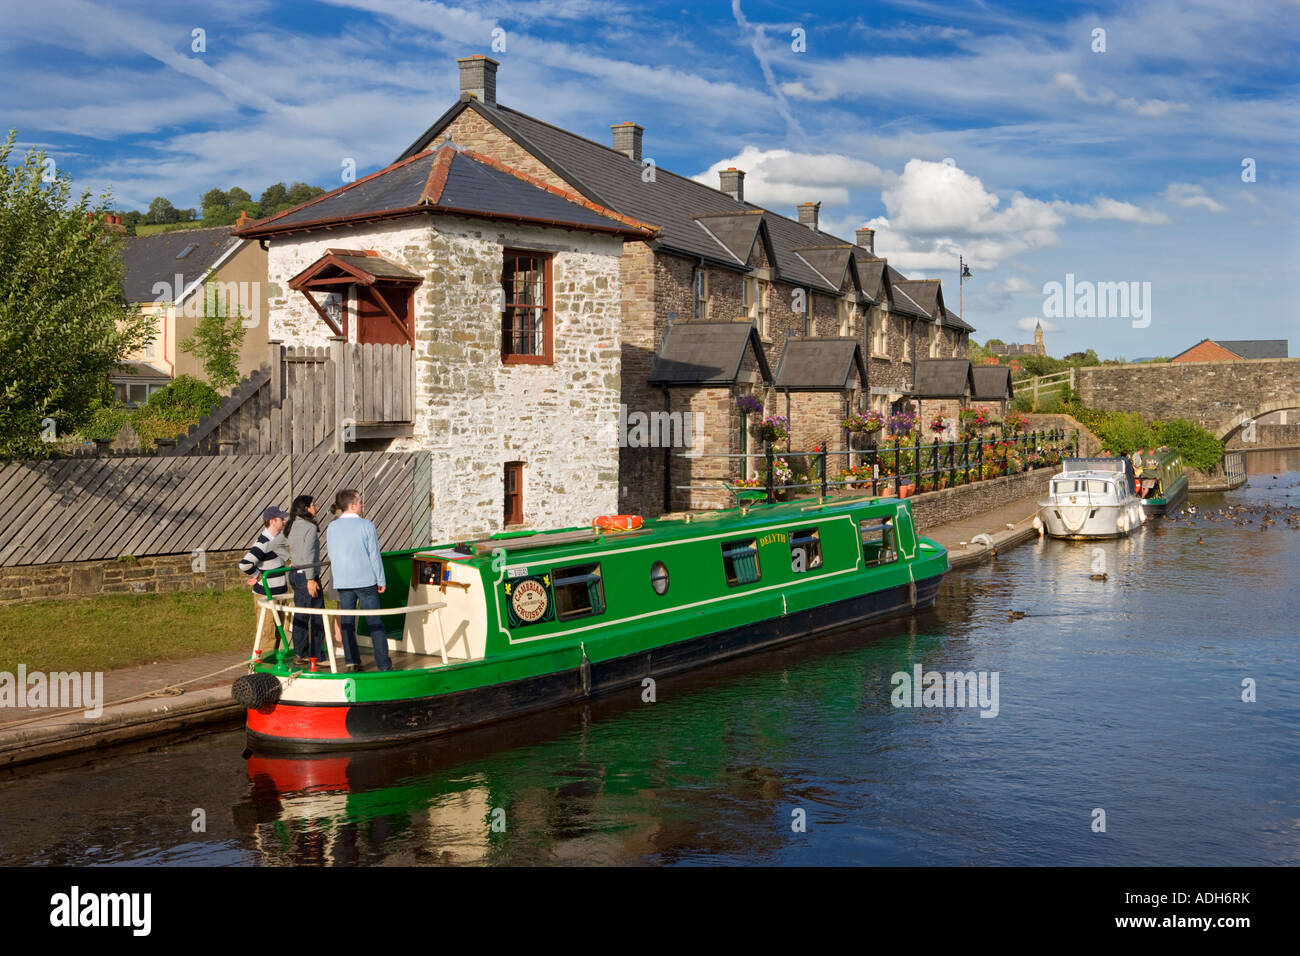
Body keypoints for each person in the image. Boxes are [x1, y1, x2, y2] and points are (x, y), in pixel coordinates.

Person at [325, 489, 392, 673]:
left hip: (343, 581)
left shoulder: (332, 527)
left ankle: (352, 662)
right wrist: (381, 579)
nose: (363, 504)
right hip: (365, 580)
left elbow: (333, 554)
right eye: (360, 501)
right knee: (375, 622)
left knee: (347, 622)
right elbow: (374, 556)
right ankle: (383, 663)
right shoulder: (367, 526)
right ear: (352, 505)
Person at [239, 506, 289, 658]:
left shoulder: (277, 541)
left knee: (280, 631)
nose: (284, 521)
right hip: (266, 595)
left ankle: (278, 662)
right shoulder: (263, 542)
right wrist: (258, 575)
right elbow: (245, 564)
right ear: (272, 522)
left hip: (280, 594)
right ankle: (264, 667)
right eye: (281, 519)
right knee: (267, 633)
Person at [285, 494, 325, 666]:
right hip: (307, 576)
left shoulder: (292, 525)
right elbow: (309, 552)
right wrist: (310, 579)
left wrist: (291, 558)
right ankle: (316, 654)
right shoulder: (308, 527)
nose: (316, 508)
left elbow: (275, 545)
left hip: (295, 574)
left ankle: (300, 653)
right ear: (306, 508)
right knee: (317, 616)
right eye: (313, 505)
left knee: (301, 614)